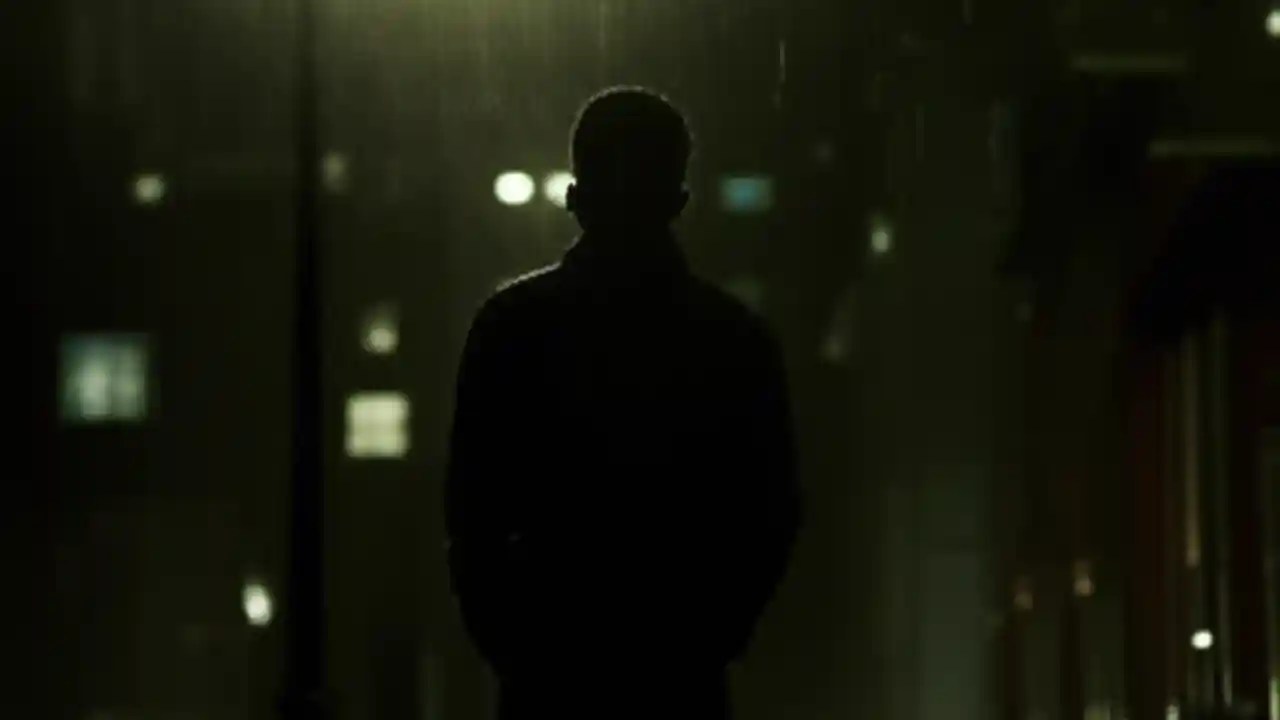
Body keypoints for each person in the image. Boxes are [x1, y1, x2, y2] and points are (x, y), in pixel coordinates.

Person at [445, 86, 800, 720]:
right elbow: (769, 515)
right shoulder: (732, 338)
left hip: (551, 675)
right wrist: (710, 635)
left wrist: (518, 646)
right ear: (679, 200)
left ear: (574, 197)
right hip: (678, 675)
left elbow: (473, 515)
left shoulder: (511, 328)